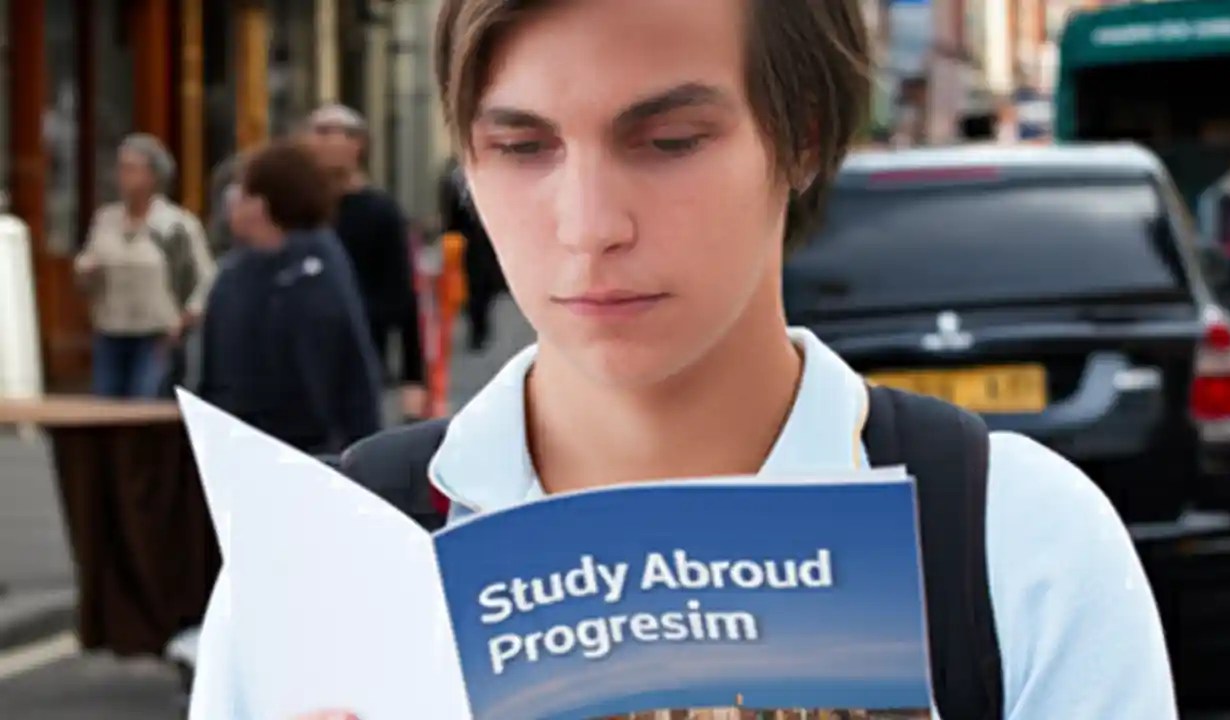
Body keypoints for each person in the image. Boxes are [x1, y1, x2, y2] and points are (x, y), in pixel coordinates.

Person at [193, 1, 1176, 718]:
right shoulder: (321, 566)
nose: (588, 228)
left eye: (666, 141)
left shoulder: (1018, 546)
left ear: (799, 141)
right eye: (522, 147)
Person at [197, 138, 382, 455]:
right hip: (238, 451)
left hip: (307, 455)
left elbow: (347, 375)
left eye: (243, 192)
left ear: (264, 203)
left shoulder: (316, 271)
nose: (231, 202)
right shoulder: (235, 272)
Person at [304, 103, 427, 415]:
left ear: (357, 143)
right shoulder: (299, 210)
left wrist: (415, 377)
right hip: (300, 356)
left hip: (362, 353)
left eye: (330, 132)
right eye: (316, 132)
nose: (320, 142)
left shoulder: (380, 211)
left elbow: (404, 294)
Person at [73, 133, 215, 398]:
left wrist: (184, 321)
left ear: (153, 176)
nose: (122, 176)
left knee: (144, 406)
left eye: (131, 168)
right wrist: (85, 271)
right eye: (120, 168)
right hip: (110, 333)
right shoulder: (106, 219)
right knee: (104, 411)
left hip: (156, 337)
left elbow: (205, 281)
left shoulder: (176, 225)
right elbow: (87, 269)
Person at [439, 156, 505, 350]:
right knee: (469, 286)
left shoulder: (488, 180)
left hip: (484, 241)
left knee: (484, 286)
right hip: (463, 243)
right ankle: (476, 326)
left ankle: (481, 325)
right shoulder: (452, 180)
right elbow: (448, 211)